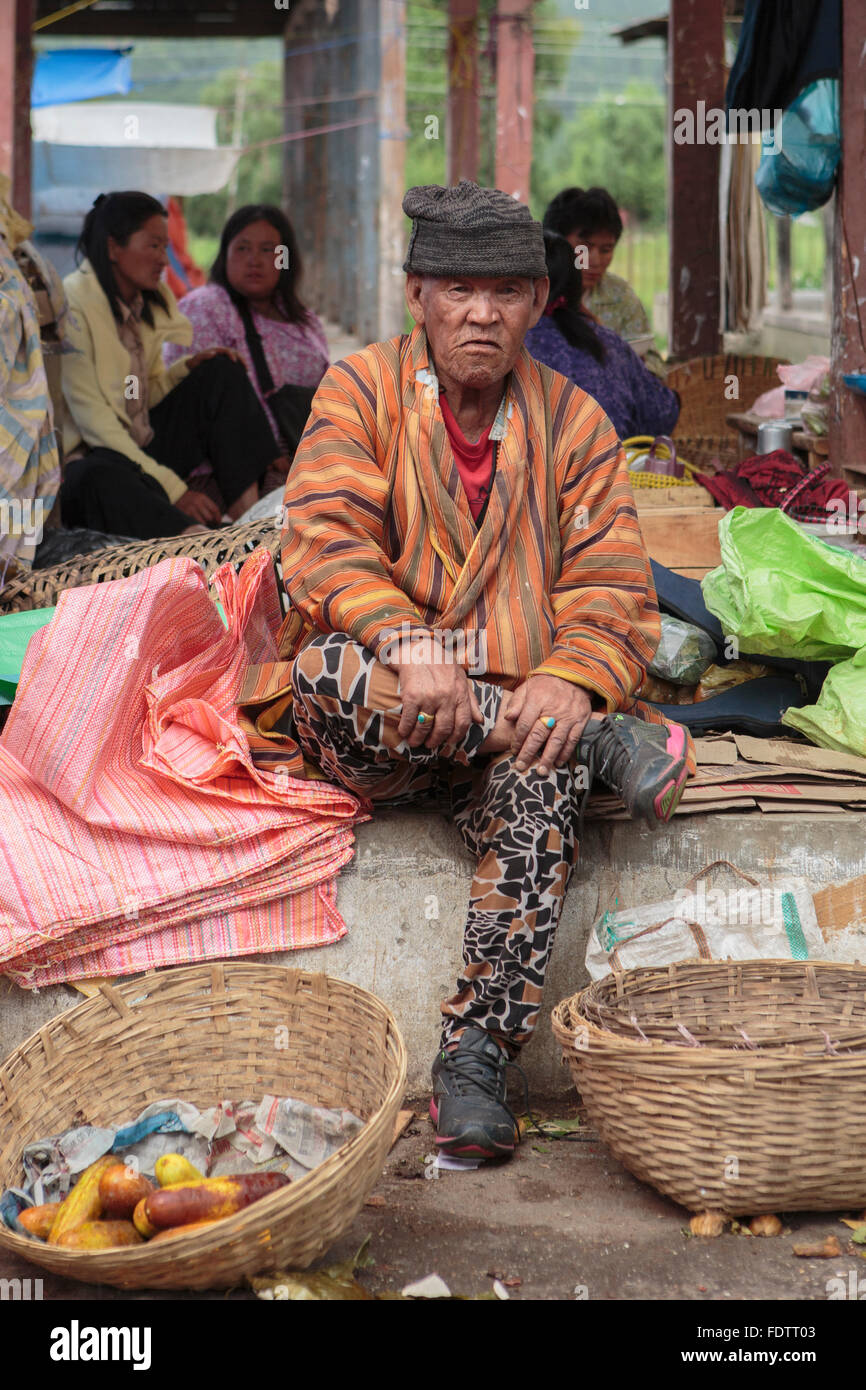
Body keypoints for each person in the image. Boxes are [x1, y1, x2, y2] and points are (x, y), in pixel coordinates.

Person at [277, 180, 695, 1163]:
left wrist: (576, 678)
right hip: (384, 720)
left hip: (505, 734)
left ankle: (473, 1062)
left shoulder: (577, 424)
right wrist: (403, 638)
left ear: (538, 303)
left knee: (544, 765)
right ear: (416, 293)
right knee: (327, 673)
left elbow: (611, 587)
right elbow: (321, 540)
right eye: (457, 288)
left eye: (506, 291)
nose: (480, 312)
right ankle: (594, 741)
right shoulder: (359, 389)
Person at [59, 191, 280, 539]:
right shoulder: (72, 303)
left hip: (141, 446)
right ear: (114, 248)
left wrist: (187, 369)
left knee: (221, 372)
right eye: (154, 246)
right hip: (98, 456)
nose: (165, 259)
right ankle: (197, 542)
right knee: (91, 476)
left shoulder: (143, 303)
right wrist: (175, 490)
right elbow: (96, 425)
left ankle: (249, 525)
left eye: (166, 247)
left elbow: (145, 396)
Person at [164, 204, 329, 463]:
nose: (254, 259)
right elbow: (200, 404)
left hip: (307, 460)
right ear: (225, 255)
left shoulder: (305, 322)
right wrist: (267, 456)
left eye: (267, 250)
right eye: (242, 248)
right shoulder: (205, 308)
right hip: (231, 468)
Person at [525, 232, 679, 441]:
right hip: (612, 470)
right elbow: (661, 414)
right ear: (575, 285)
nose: (595, 260)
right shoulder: (608, 342)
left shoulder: (510, 345)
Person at [543, 186, 651, 342]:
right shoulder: (532, 293)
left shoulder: (620, 296)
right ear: (556, 243)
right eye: (584, 247)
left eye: (606, 250)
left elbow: (653, 361)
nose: (595, 261)